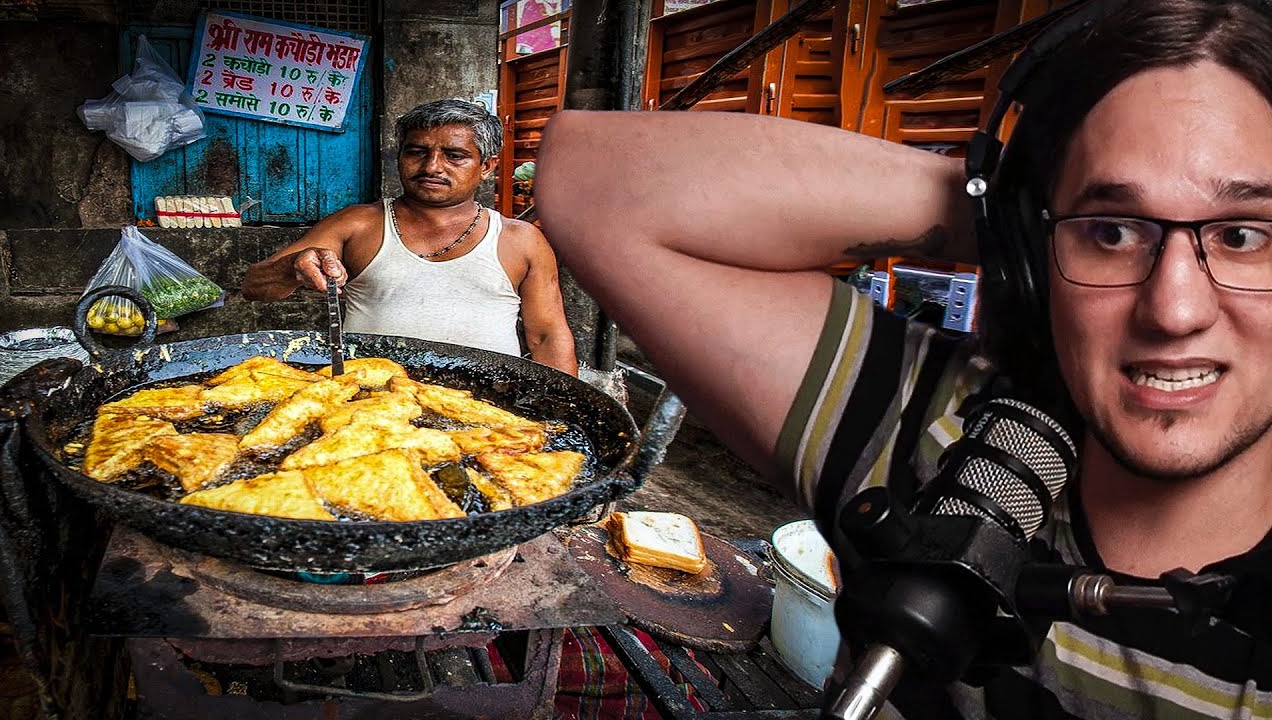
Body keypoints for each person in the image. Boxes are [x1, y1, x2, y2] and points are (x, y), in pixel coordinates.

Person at [535, 0, 1272, 716]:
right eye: (1112, 232)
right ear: (1029, 252)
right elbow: (591, 183)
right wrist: (1000, 206)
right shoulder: (944, 429)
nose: (1175, 311)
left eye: (1245, 235)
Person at [241, 99, 578, 376]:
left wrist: (568, 414)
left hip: (484, 403)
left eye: (454, 156)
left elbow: (547, 336)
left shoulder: (520, 239)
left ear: (487, 166)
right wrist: (294, 267)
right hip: (369, 399)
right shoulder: (358, 223)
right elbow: (254, 287)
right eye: (417, 152)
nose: (432, 166)